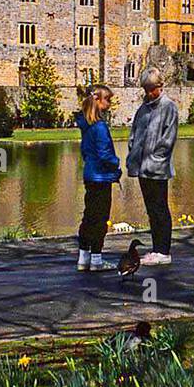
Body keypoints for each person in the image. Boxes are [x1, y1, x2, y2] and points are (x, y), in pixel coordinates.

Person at [126, 66, 179, 266]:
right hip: (141, 167)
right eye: (146, 89)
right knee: (151, 209)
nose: (149, 93)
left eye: (151, 89)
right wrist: (133, 152)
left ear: (160, 86)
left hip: (157, 167)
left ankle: (163, 251)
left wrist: (157, 157)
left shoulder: (169, 107)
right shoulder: (143, 109)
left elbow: (169, 139)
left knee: (160, 209)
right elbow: (134, 134)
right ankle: (156, 249)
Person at [75, 84, 122, 271]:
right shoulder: (100, 127)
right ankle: (96, 259)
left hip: (90, 175)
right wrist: (116, 163)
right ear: (98, 101)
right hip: (101, 177)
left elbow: (86, 153)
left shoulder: (86, 125)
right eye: (107, 99)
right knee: (100, 219)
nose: (109, 103)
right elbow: (105, 155)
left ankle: (83, 257)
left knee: (88, 217)